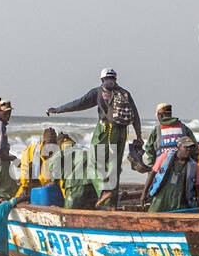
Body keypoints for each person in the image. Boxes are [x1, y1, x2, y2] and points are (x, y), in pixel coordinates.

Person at [46, 68, 142, 208]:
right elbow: (136, 116)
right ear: (115, 78)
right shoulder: (125, 93)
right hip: (121, 133)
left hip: (105, 131)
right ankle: (111, 206)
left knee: (94, 162)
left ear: (102, 79)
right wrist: (138, 135)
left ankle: (104, 191)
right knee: (114, 167)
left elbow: (79, 104)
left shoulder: (99, 92)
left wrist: (58, 110)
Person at [142, 136, 199, 212]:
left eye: (190, 147)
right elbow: (152, 174)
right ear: (179, 146)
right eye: (186, 147)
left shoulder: (194, 166)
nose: (189, 149)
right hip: (161, 199)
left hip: (180, 202)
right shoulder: (165, 157)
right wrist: (144, 194)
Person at [143, 103, 196, 169]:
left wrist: (151, 166)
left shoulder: (157, 130)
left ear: (161, 115)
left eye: (158, 116)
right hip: (182, 168)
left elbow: (149, 149)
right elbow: (194, 147)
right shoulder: (184, 128)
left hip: (162, 168)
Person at [14, 127, 59, 198]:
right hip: (29, 186)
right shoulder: (32, 150)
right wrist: (25, 186)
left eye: (53, 143)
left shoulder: (57, 152)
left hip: (47, 188)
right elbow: (24, 168)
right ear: (43, 142)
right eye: (49, 143)